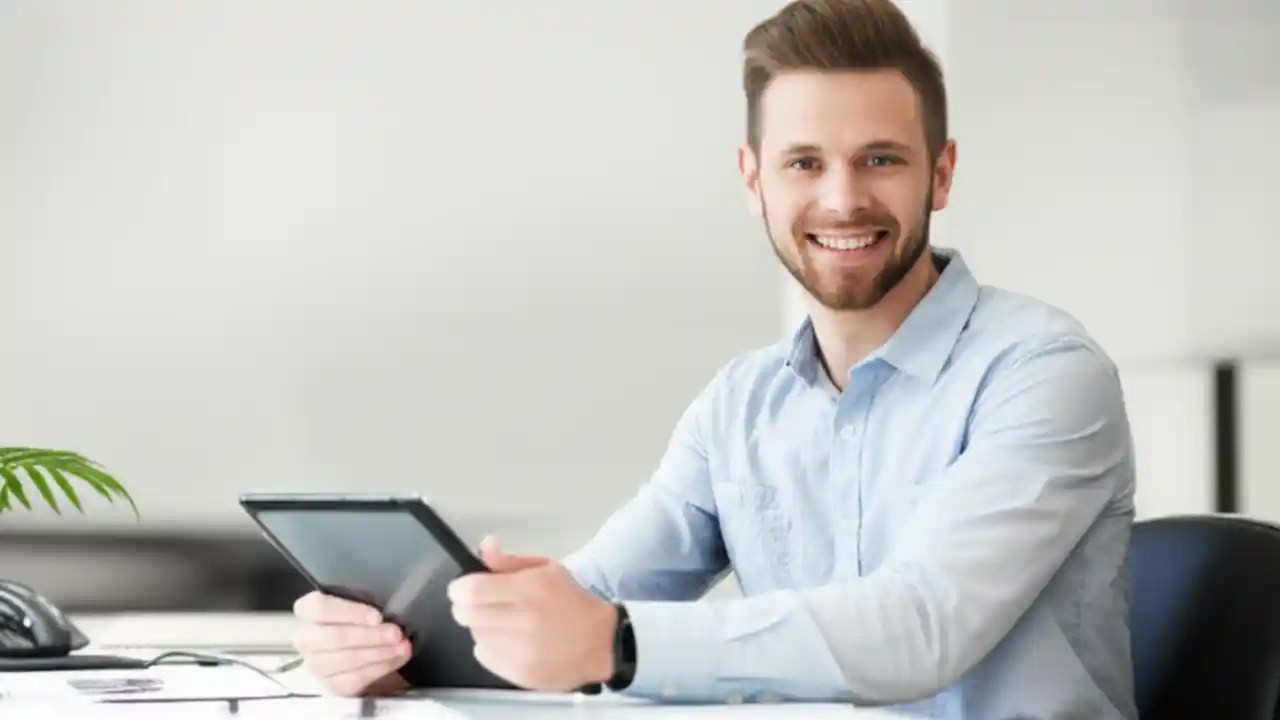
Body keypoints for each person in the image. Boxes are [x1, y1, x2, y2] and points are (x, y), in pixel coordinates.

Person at [290, 1, 1138, 717]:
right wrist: (410, 647)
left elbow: (922, 627)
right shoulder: (740, 405)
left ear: (941, 175)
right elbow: (591, 602)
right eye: (804, 163)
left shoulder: (1045, 373)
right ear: (752, 181)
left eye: (880, 159)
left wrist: (611, 640)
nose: (842, 198)